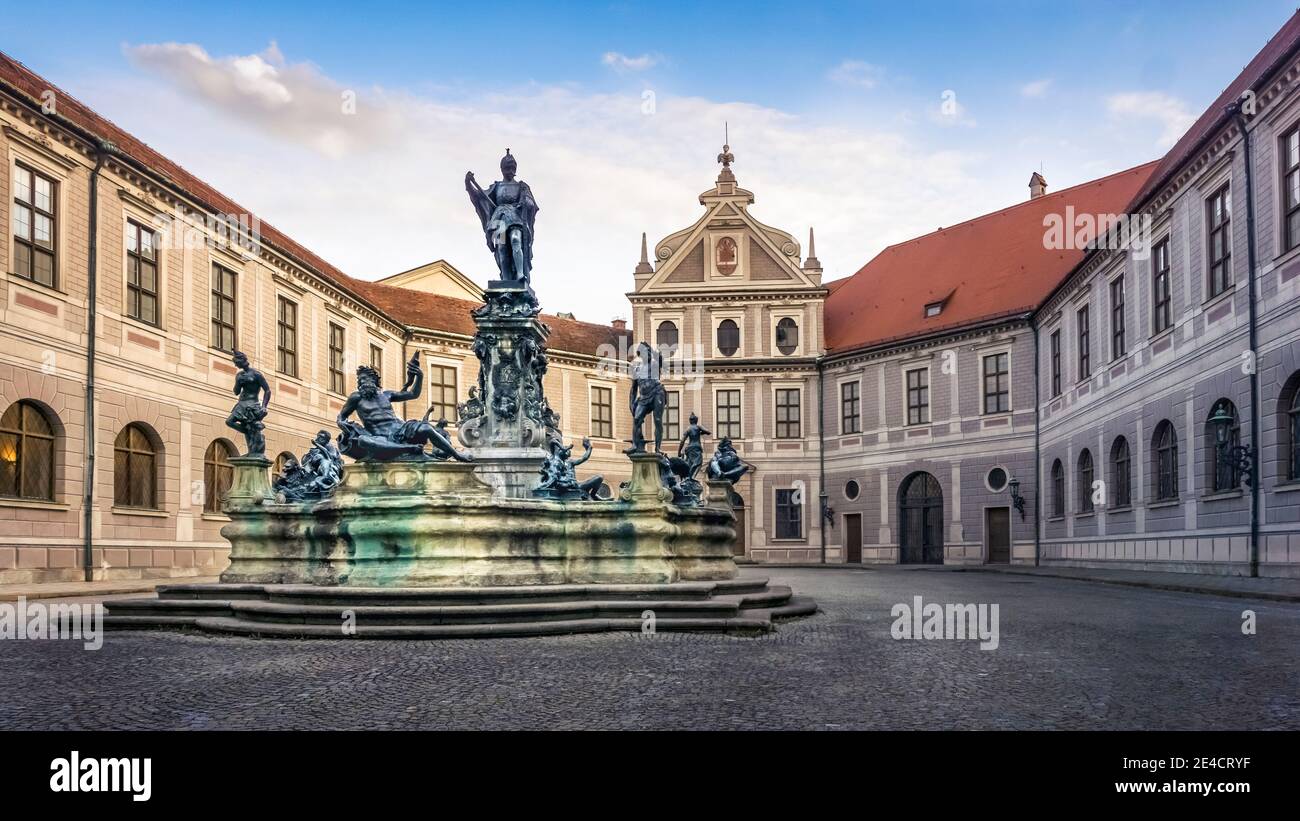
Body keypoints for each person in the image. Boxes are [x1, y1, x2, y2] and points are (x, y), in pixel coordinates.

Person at [336, 356, 472, 462]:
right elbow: (341, 417)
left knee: (426, 428)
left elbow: (413, 394)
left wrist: (419, 376)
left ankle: (456, 455)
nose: (361, 383)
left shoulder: (386, 394)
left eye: (364, 379)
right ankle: (409, 449)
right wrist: (344, 426)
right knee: (363, 441)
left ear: (374, 381)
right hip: (380, 436)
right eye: (359, 380)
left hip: (400, 429)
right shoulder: (356, 397)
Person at [226, 351, 271, 456]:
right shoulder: (239, 375)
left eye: (236, 363)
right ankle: (248, 434)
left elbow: (267, 390)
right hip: (241, 404)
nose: (235, 365)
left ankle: (252, 452)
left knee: (251, 428)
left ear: (242, 361)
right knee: (229, 422)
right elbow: (236, 392)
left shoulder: (256, 374)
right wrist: (239, 383)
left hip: (252, 405)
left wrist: (264, 406)